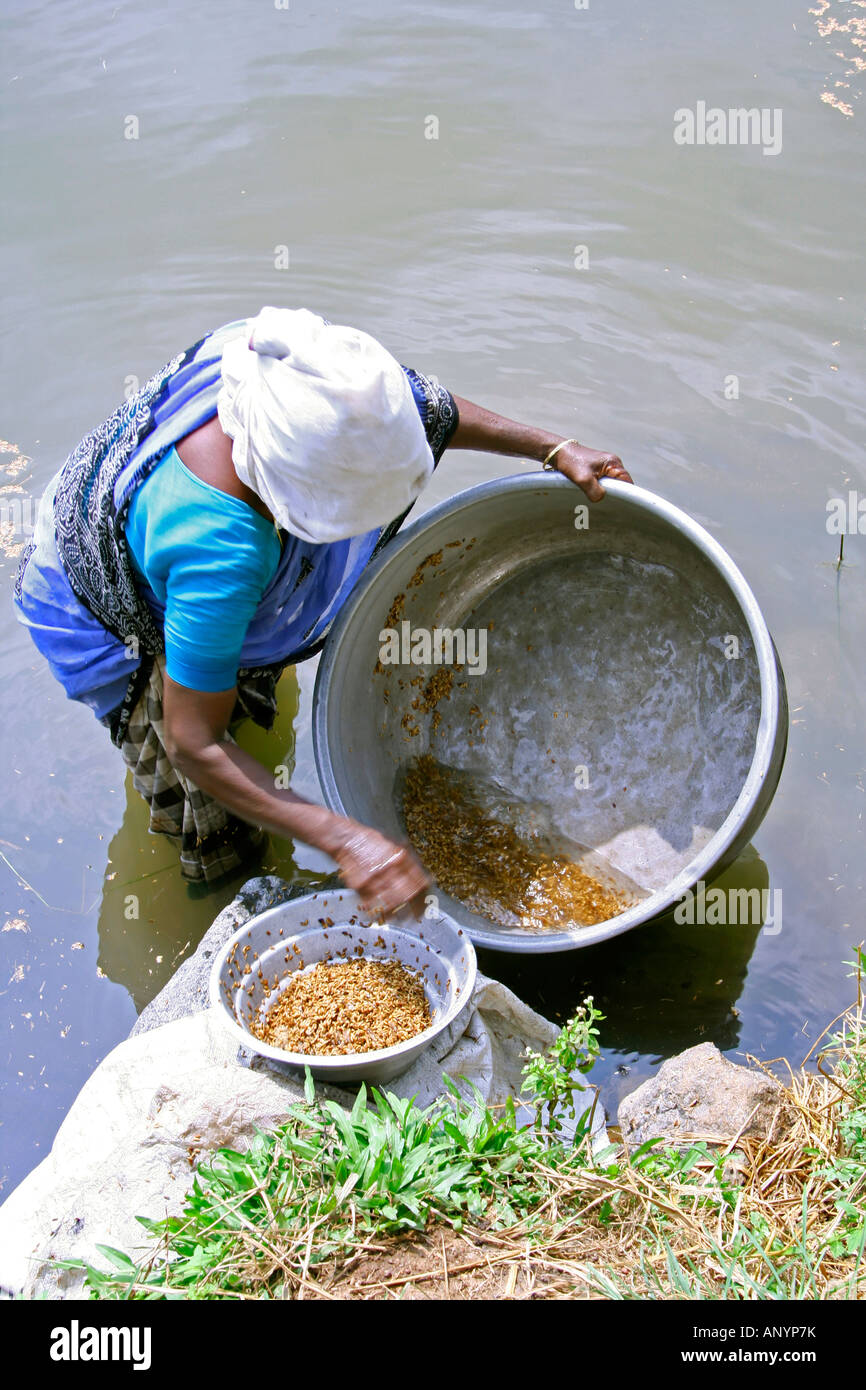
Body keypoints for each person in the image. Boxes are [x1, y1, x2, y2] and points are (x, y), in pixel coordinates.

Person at [14, 305, 633, 912]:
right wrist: (347, 839)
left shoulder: (292, 371)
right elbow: (191, 741)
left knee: (223, 674)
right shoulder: (217, 548)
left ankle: (225, 687)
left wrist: (554, 448)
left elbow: (427, 412)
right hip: (96, 605)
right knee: (207, 801)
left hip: (148, 522)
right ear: (301, 494)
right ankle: (225, 892)